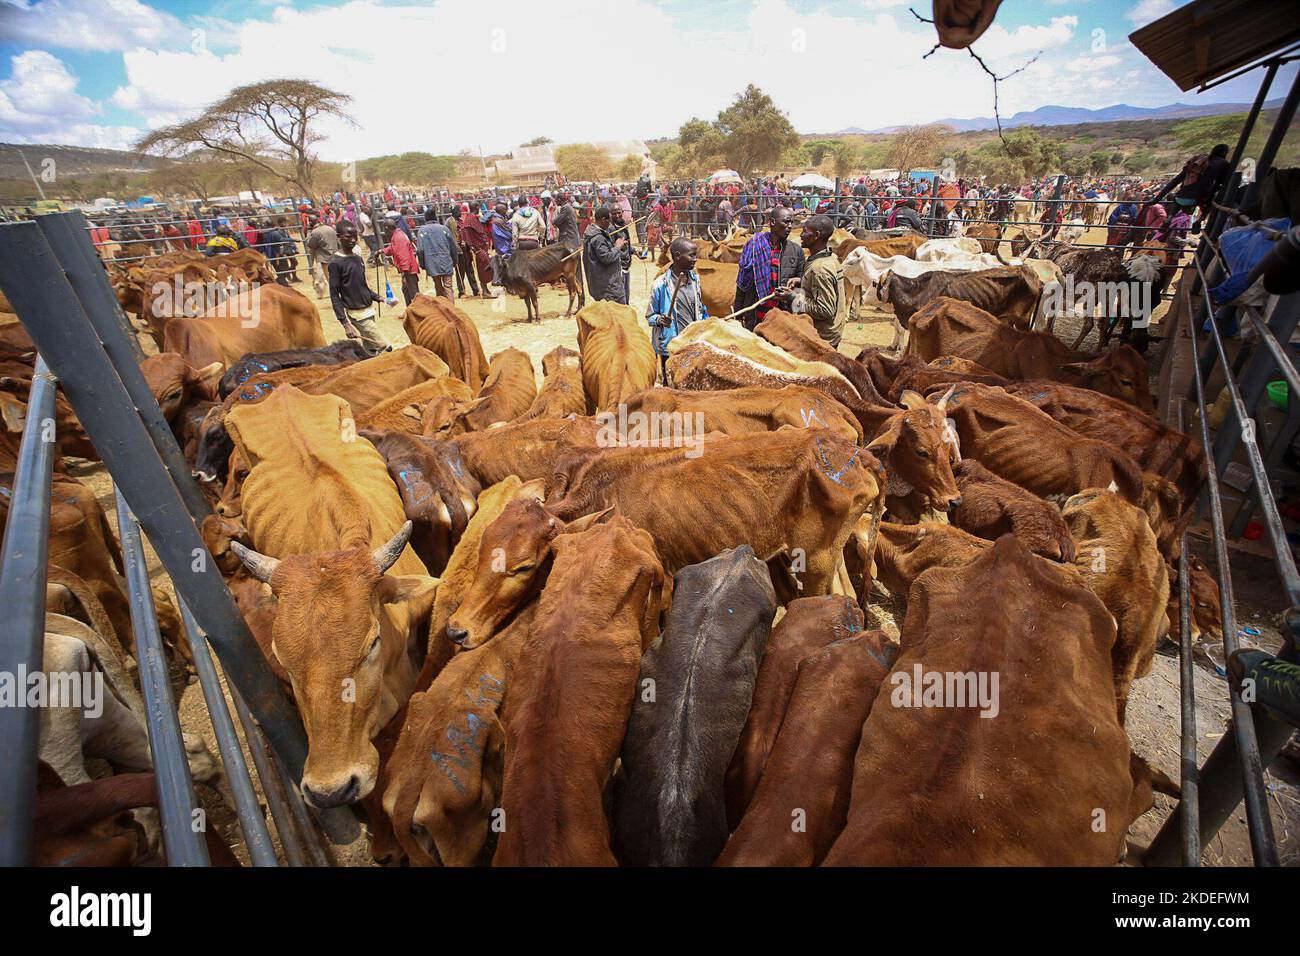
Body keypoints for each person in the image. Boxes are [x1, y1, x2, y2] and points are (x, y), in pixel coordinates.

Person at [647, 237, 708, 383]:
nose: (695, 259)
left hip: (692, 342)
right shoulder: (660, 285)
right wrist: (660, 319)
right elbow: (650, 316)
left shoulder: (695, 281)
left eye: (696, 254)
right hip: (671, 345)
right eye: (692, 255)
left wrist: (708, 321)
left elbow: (700, 309)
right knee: (670, 385)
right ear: (677, 256)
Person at [734, 206, 803, 329]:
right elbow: (742, 284)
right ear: (772, 222)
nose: (790, 226)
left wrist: (797, 314)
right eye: (786, 222)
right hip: (755, 313)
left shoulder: (796, 251)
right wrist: (738, 315)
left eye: (791, 222)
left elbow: (801, 286)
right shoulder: (753, 246)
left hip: (782, 316)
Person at [328, 219, 391, 353]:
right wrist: (345, 323)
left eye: (355, 236)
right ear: (338, 237)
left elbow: (362, 286)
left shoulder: (357, 258)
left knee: (370, 350)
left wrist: (381, 298)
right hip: (357, 314)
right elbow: (334, 294)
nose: (352, 240)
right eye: (348, 236)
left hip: (369, 310)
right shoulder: (336, 263)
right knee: (386, 348)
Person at [797, 215, 848, 347]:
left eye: (805, 231)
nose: (801, 235)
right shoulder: (831, 257)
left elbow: (824, 310)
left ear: (816, 235)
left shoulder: (819, 269)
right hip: (833, 330)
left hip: (822, 337)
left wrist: (792, 298)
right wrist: (802, 281)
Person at [583, 206, 627, 304]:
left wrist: (617, 248)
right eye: (609, 221)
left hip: (602, 286)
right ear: (603, 220)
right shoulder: (597, 238)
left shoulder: (594, 234)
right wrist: (617, 247)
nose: (610, 224)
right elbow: (607, 258)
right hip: (608, 289)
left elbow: (604, 253)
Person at [416, 208, 459, 299]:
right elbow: (453, 246)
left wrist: (423, 264)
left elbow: (420, 250)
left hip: (431, 263)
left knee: (438, 286)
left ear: (425, 218)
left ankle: (442, 309)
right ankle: (451, 310)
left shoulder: (422, 231)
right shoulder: (444, 229)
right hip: (446, 261)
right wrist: (455, 261)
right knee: (448, 287)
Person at [380, 215, 421, 305]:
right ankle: (410, 311)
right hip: (407, 269)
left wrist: (405, 274)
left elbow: (404, 256)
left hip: (408, 270)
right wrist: (382, 251)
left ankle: (416, 313)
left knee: (413, 294)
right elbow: (392, 248)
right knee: (407, 291)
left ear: (387, 228)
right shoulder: (397, 235)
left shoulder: (399, 237)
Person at [460, 202, 496, 297]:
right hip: (477, 249)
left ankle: (486, 289)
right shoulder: (470, 219)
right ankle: (484, 290)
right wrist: (472, 246)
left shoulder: (473, 218)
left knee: (485, 267)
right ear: (477, 207)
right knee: (483, 269)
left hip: (481, 247)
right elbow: (467, 234)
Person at [305, 216, 339, 297]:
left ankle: (336, 295)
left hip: (324, 258)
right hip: (335, 255)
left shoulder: (315, 232)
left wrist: (309, 233)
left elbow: (311, 245)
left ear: (310, 223)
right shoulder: (330, 228)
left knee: (329, 278)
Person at [489, 203, 513, 287]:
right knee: (506, 263)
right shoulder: (498, 220)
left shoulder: (497, 218)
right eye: (505, 210)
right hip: (502, 244)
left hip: (500, 243)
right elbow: (507, 230)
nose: (506, 211)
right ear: (501, 211)